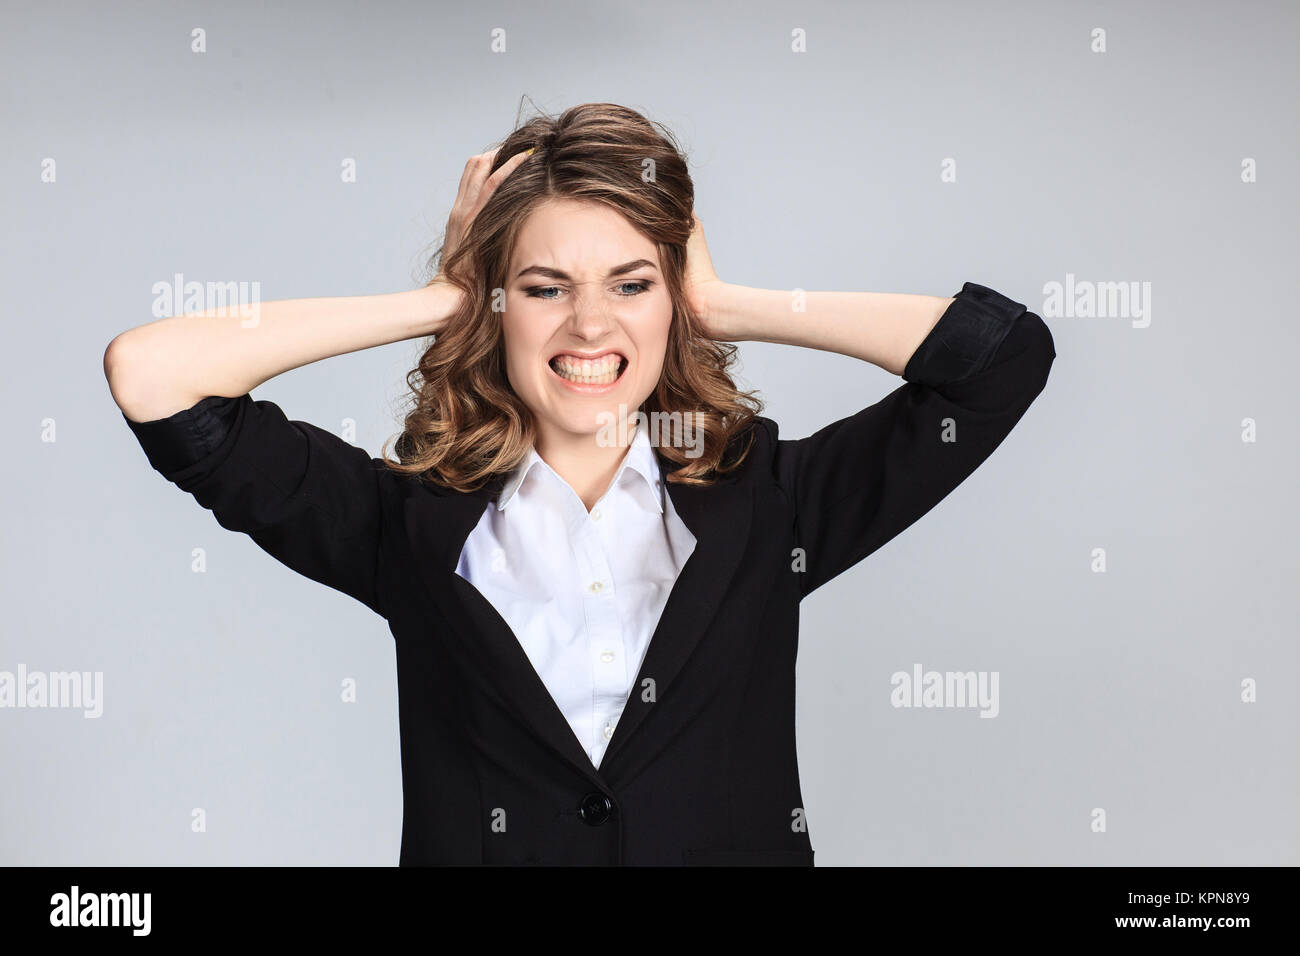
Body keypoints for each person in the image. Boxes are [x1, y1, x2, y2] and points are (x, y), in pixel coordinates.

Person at [103, 102, 1056, 865]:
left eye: (631, 285)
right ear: (499, 304)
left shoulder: (774, 501)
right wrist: (440, 298)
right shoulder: (403, 523)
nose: (590, 326)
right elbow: (153, 376)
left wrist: (718, 304)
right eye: (546, 286)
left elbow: (1003, 359)